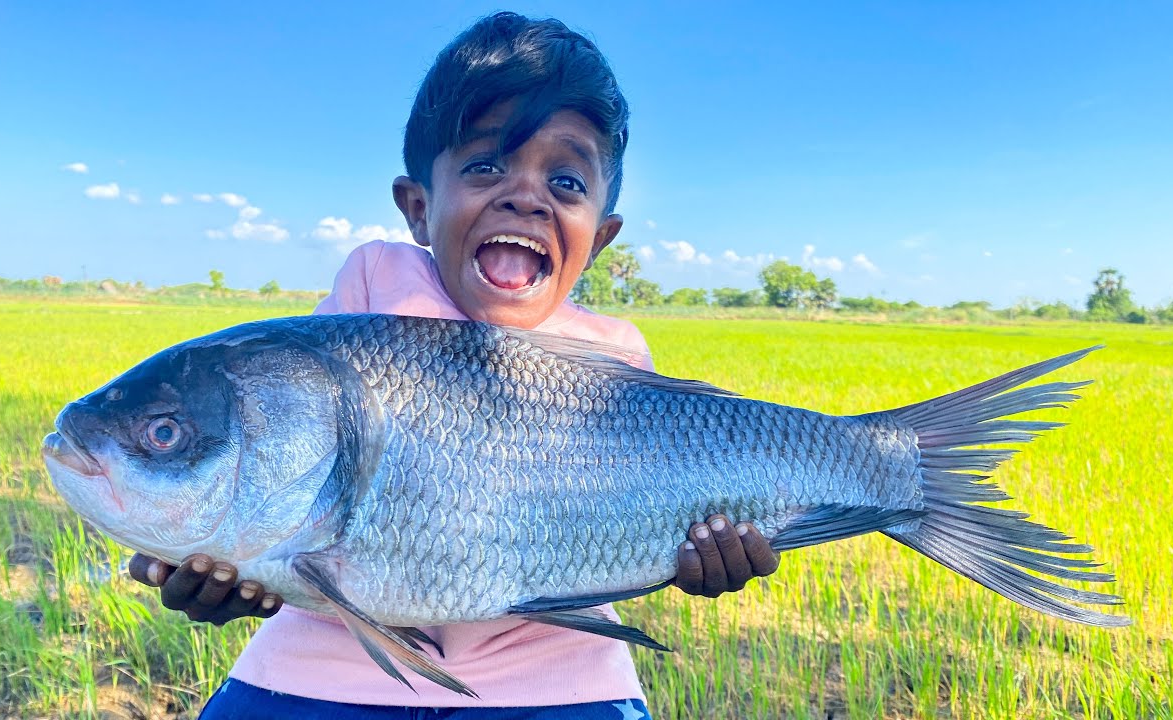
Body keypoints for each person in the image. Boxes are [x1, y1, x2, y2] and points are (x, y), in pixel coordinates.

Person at [128, 12, 780, 719]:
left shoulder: (611, 357)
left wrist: (697, 553)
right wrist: (208, 554)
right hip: (319, 675)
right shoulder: (372, 292)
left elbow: (644, 533)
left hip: (561, 683)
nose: (525, 195)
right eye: (485, 165)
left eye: (566, 181)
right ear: (418, 207)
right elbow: (275, 467)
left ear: (598, 240)